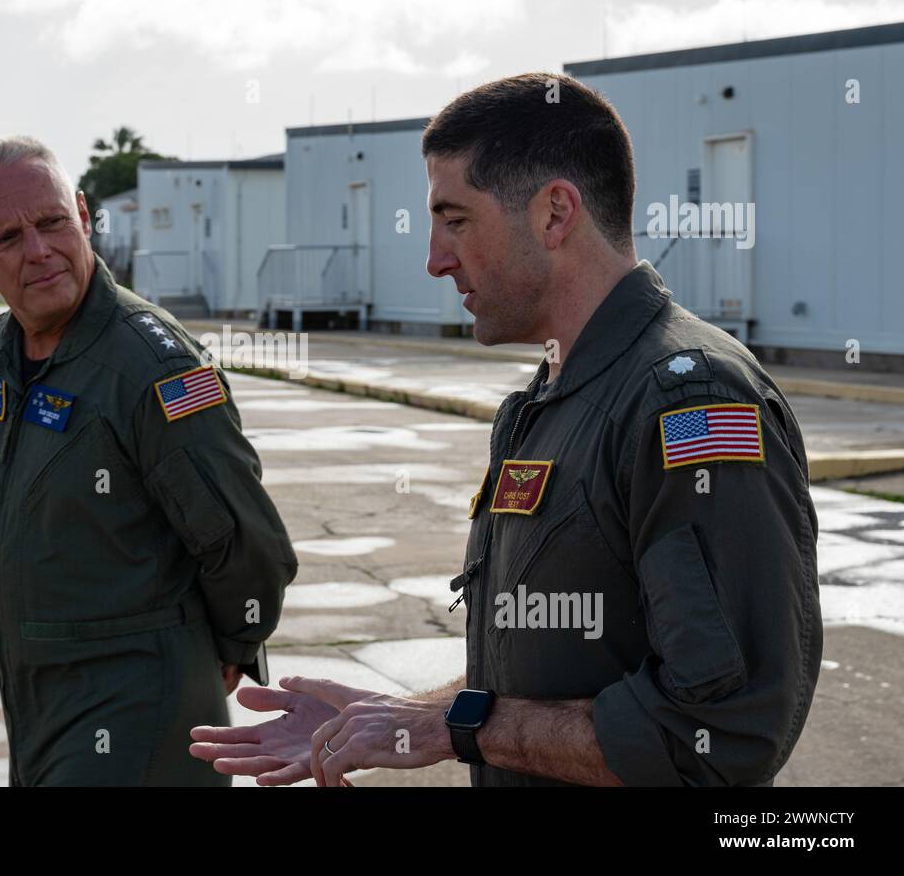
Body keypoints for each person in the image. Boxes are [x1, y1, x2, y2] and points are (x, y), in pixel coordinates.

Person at [190, 73, 822, 787]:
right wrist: (402, 713)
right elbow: (564, 662)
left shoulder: (689, 404)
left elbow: (718, 733)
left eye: (455, 220)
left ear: (555, 214)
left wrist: (453, 726)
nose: (434, 259)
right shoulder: (555, 393)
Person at [0, 136, 297, 786]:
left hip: (140, 703)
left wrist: (230, 645)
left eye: (52, 223)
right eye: (6, 239)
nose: (39, 251)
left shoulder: (152, 367)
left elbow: (247, 540)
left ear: (83, 217)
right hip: (38, 698)